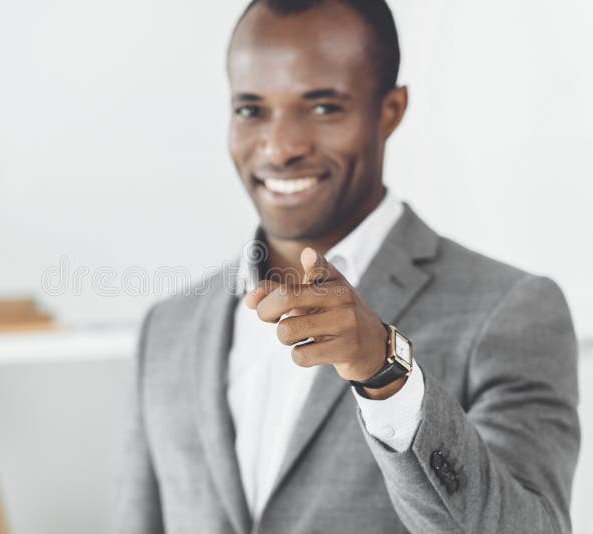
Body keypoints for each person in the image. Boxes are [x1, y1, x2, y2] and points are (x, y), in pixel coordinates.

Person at [115, 1, 580, 532]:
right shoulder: (168, 329)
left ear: (391, 110)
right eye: (251, 110)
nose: (281, 146)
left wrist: (388, 376)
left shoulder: (511, 311)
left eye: (322, 108)